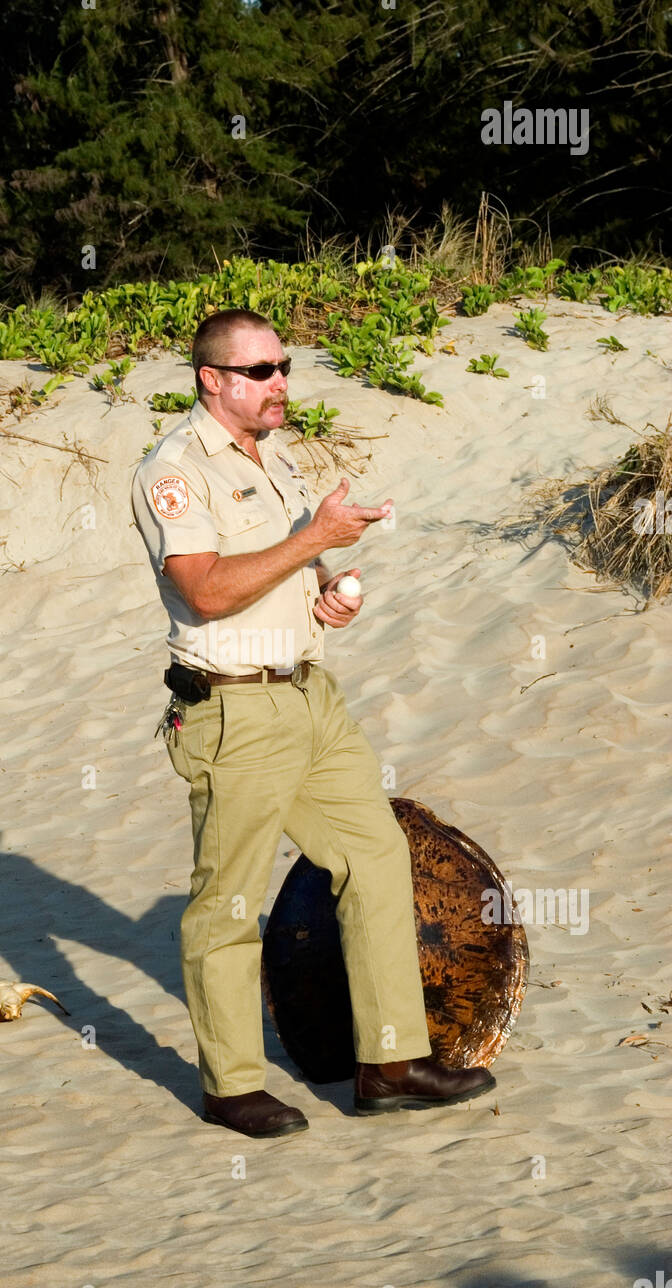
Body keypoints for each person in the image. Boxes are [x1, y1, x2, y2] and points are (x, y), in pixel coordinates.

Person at [131, 308, 495, 1138]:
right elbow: (208, 590)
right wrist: (312, 542)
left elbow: (288, 567)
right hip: (234, 710)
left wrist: (326, 590)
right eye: (260, 371)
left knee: (376, 855)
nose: (280, 384)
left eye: (284, 366)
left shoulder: (281, 457)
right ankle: (229, 1086)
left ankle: (390, 1064)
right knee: (227, 904)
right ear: (212, 380)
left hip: (310, 695)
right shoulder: (174, 470)